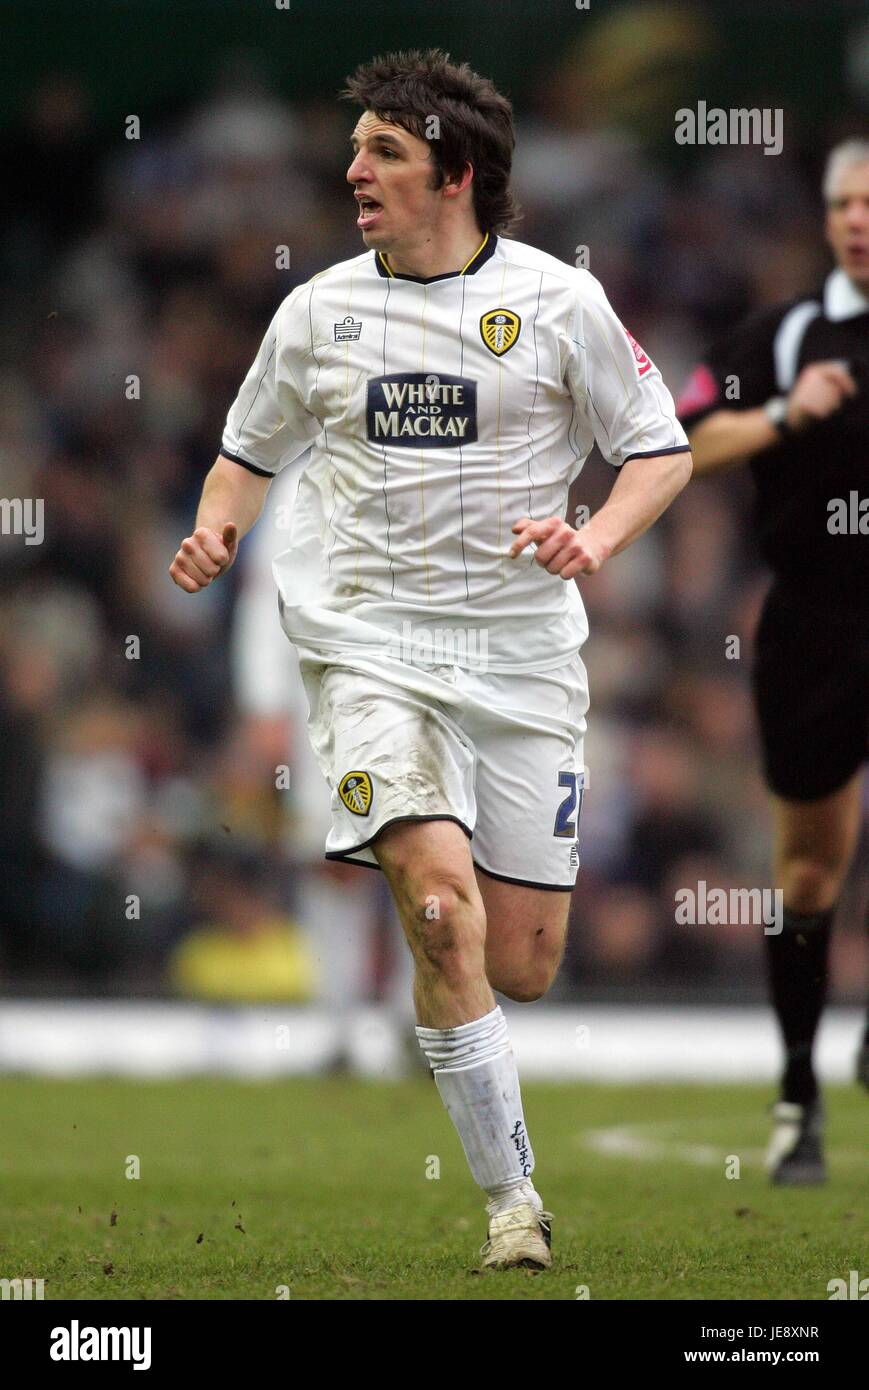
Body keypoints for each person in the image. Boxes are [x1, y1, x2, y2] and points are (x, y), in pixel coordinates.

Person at [170, 49, 692, 1268]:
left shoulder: (561, 303)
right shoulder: (317, 312)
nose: (352, 171)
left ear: (452, 175)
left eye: (383, 154)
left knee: (522, 961)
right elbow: (246, 450)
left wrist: (594, 533)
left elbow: (658, 448)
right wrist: (215, 525)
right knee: (438, 907)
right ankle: (513, 1203)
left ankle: (465, 1032)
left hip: (519, 659)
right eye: (355, 151)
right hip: (367, 647)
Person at [678, 138, 869, 1185]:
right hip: (813, 625)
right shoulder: (783, 334)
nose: (855, 217)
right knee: (804, 872)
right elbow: (675, 443)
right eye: (843, 201)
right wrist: (782, 417)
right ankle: (797, 1095)